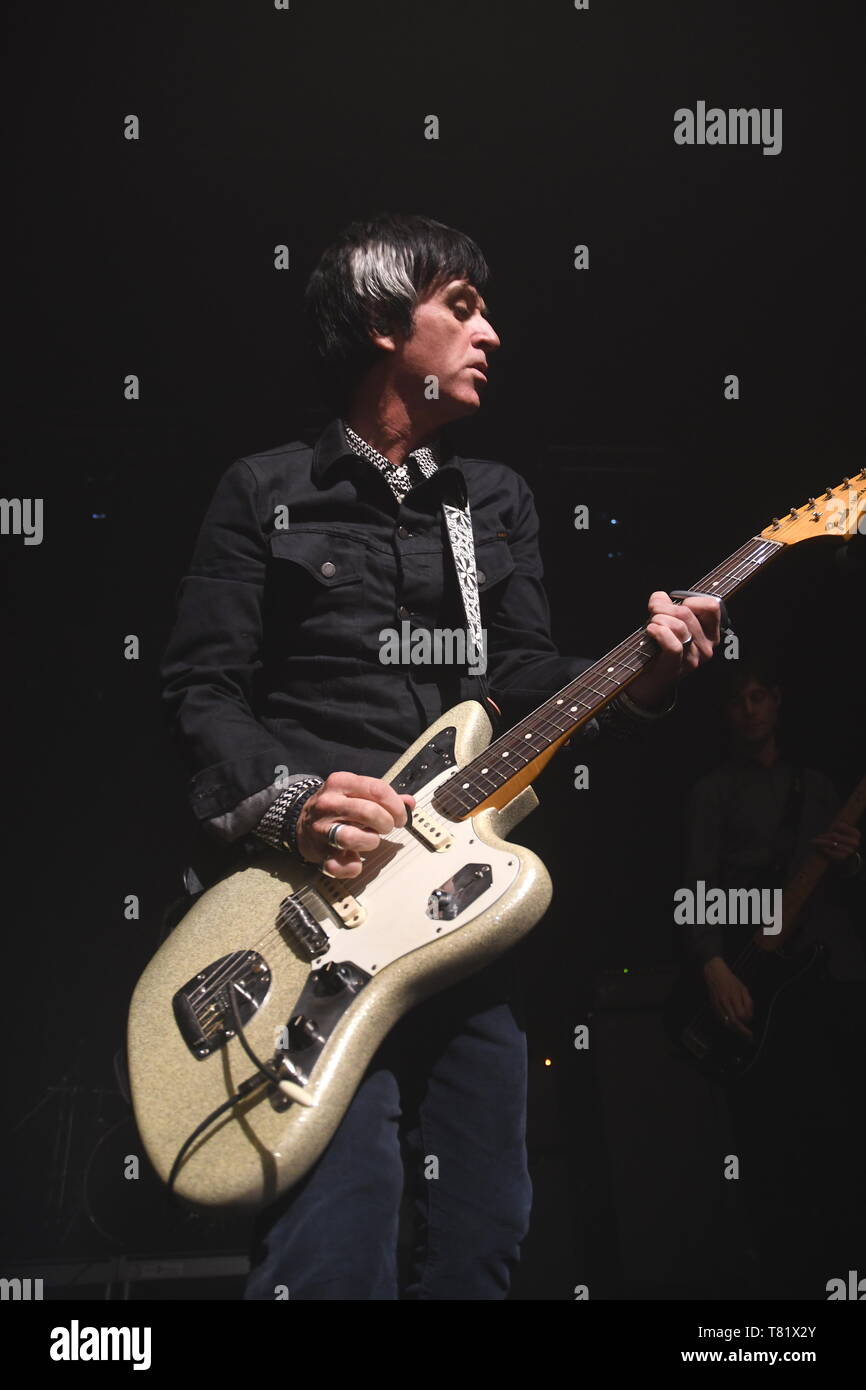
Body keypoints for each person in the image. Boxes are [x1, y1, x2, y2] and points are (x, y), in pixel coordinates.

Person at [161, 212, 721, 1300]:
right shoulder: (263, 491)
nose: (491, 333)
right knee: (336, 1236)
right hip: (315, 914)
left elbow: (519, 682)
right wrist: (293, 804)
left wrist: (638, 678)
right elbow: (199, 689)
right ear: (380, 321)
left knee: (483, 1230)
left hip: (462, 910)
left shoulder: (492, 502)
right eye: (461, 308)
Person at [681, 660, 865, 1295]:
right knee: (774, 1145)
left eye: (760, 697)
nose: (751, 709)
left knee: (842, 1136)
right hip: (756, 983)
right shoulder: (713, 792)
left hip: (833, 978)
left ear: (778, 703)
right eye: (739, 701)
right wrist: (712, 965)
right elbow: (696, 891)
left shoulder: (816, 784)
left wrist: (853, 863)